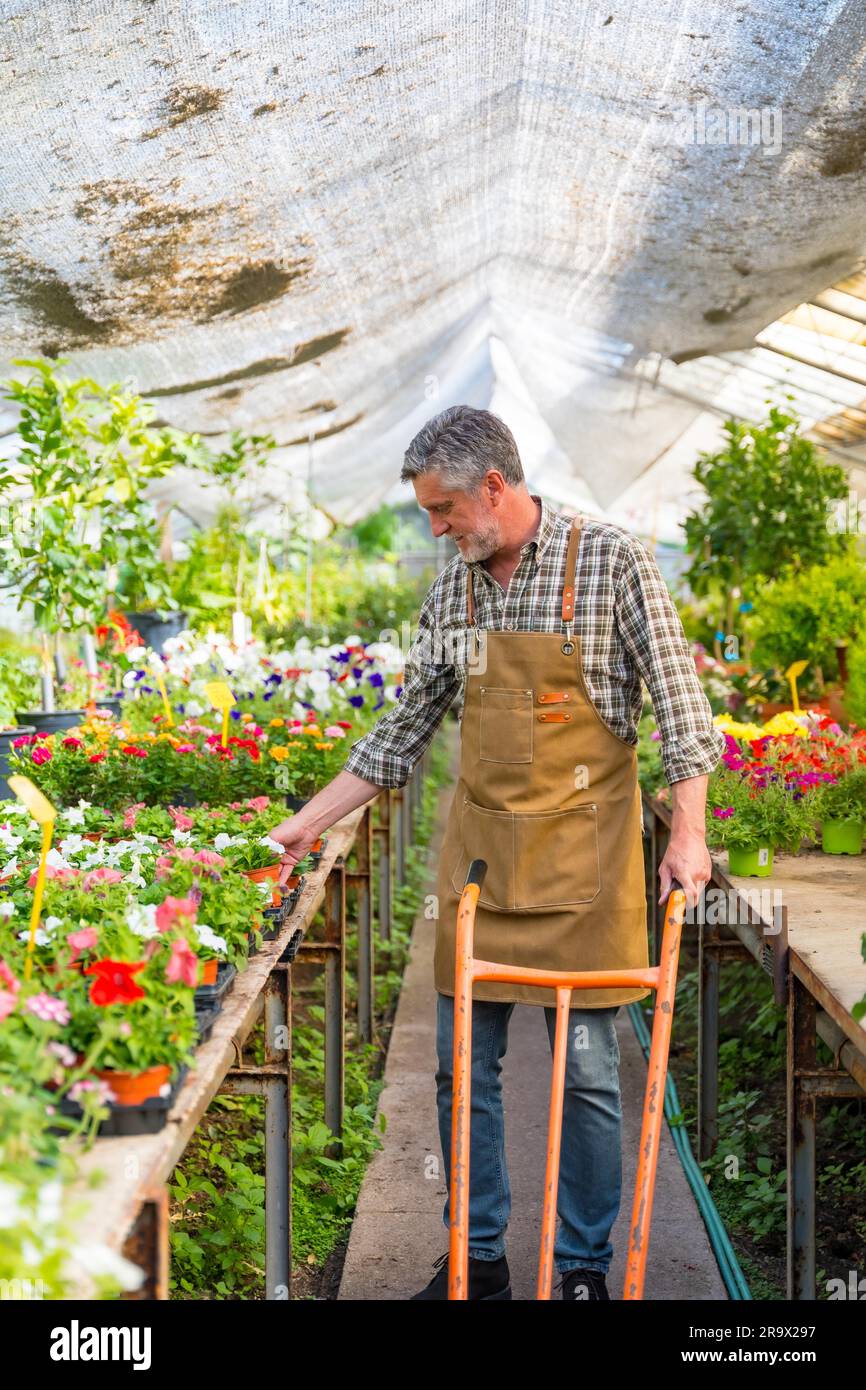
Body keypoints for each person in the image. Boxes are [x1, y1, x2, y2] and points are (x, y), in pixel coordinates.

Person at [268, 405, 724, 1301]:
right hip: (480, 871)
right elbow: (402, 732)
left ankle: (586, 1270)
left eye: (443, 511)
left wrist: (689, 834)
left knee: (588, 1077)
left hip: (585, 872)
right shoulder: (457, 591)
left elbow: (683, 710)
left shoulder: (613, 561)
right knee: (459, 1069)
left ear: (493, 486)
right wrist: (301, 826)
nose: (436, 529)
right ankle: (477, 1261)